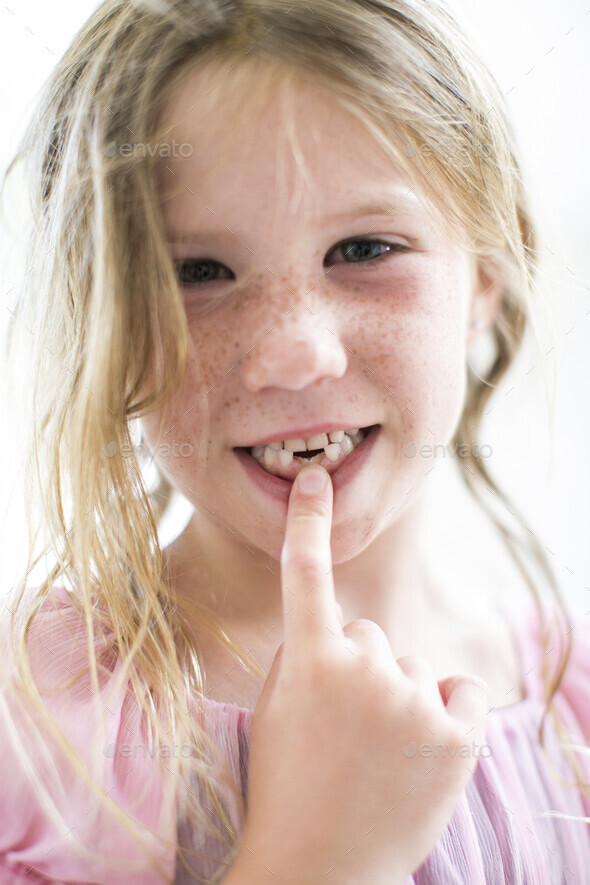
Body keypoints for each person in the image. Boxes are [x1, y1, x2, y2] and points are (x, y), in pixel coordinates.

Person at [1, 1, 589, 883]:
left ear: (484, 282)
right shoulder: (37, 721)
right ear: (107, 327)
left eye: (364, 247)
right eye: (196, 272)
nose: (295, 352)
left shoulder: (570, 700)